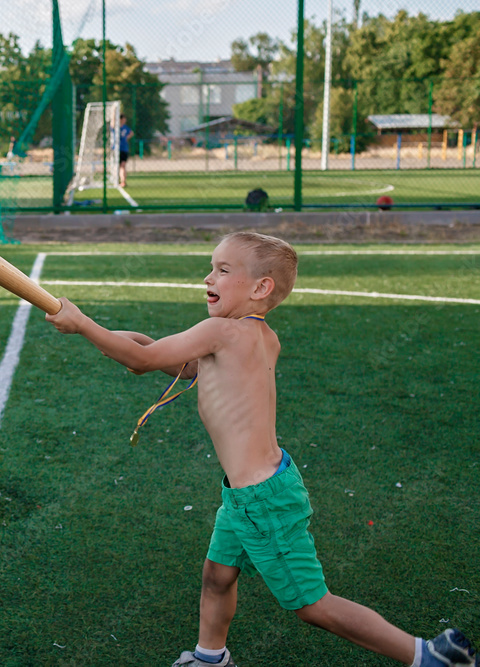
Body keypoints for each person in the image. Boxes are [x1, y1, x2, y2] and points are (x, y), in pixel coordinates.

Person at [45, 231, 476, 667]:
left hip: (261, 501)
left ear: (260, 288)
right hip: (249, 493)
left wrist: (83, 324)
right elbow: (170, 361)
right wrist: (101, 333)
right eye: (212, 267)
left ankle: (427, 656)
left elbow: (142, 360)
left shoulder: (221, 333)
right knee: (217, 576)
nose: (208, 277)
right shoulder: (257, 336)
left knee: (313, 605)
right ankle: (210, 658)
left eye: (223, 270)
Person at [118, 114, 132, 187]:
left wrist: (127, 138)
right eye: (124, 119)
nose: (125, 120)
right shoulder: (116, 127)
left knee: (122, 165)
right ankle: (117, 180)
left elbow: (131, 133)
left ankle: (123, 181)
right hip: (116, 149)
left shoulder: (126, 128)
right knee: (117, 166)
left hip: (124, 149)